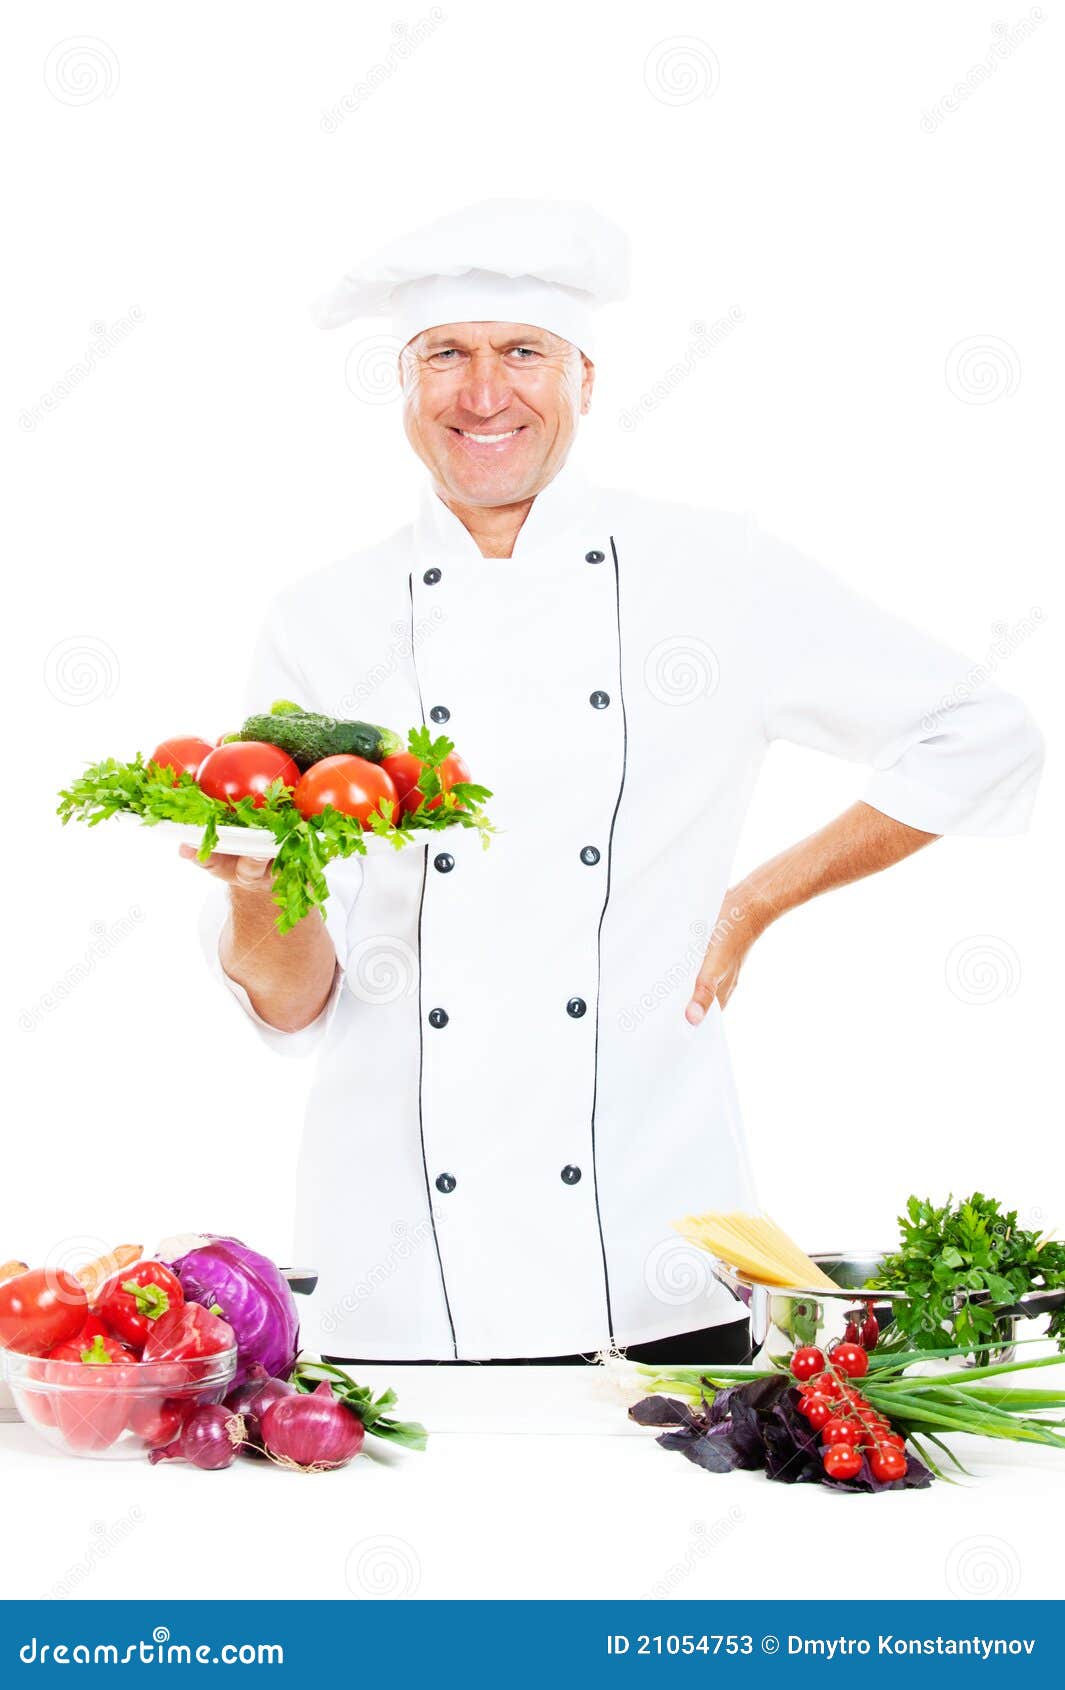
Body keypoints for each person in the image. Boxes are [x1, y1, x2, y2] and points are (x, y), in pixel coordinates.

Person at [189, 199, 1043, 1368]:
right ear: (403, 383)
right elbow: (291, 1001)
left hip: (653, 1248)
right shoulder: (319, 621)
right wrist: (249, 889)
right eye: (447, 353)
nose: (484, 393)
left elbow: (978, 731)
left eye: (522, 353)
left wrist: (757, 897)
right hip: (395, 1273)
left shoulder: (712, 571)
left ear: (586, 377)